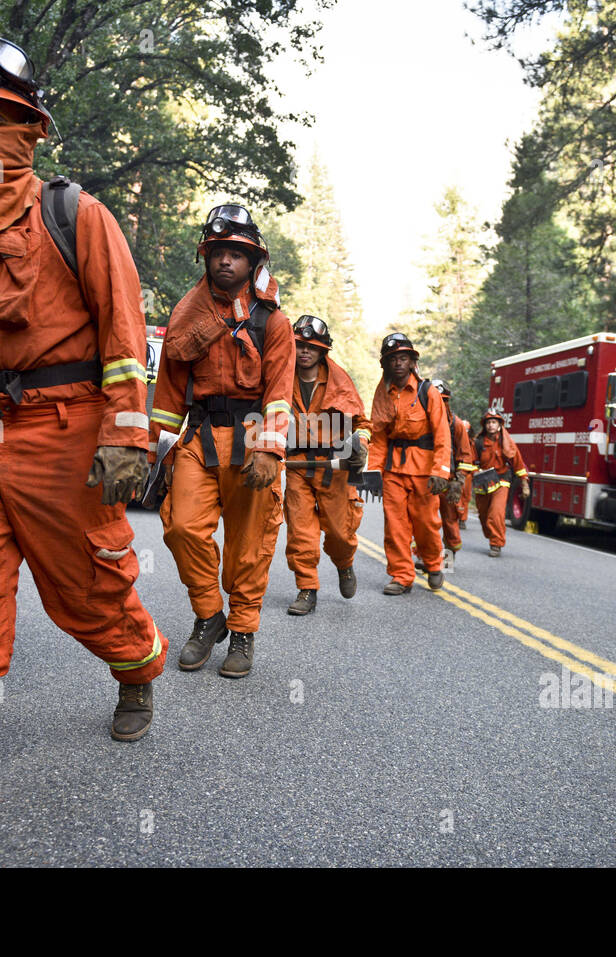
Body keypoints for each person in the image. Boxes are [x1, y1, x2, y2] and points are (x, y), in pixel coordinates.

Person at [0, 36, 165, 825]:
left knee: (88, 587)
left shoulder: (75, 216)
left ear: (26, 129)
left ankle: (136, 664)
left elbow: (122, 331)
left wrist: (125, 434)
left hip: (68, 430)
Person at [151, 204, 295, 677]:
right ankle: (209, 616)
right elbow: (169, 396)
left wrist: (271, 449)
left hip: (253, 434)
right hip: (199, 434)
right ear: (206, 257)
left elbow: (279, 392)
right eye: (218, 252)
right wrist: (160, 455)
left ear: (253, 262)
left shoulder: (273, 322)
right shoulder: (185, 315)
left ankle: (243, 632)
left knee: (248, 546)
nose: (226, 261)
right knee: (181, 527)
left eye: (237, 253)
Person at [283, 315, 371, 615]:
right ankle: (307, 587)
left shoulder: (339, 380)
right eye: (299, 345)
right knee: (300, 531)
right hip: (296, 466)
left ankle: (344, 564)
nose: (304, 351)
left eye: (311, 347)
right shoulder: (281, 376)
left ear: (323, 351)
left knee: (339, 532)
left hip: (334, 467)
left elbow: (362, 423)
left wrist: (361, 443)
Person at [368, 333, 451, 594]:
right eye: (393, 359)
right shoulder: (383, 394)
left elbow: (442, 435)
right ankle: (401, 575)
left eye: (403, 358)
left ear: (412, 361)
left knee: (426, 523)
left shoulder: (428, 392)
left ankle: (435, 564)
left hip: (425, 471)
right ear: (386, 364)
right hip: (393, 470)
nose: (398, 364)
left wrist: (441, 471)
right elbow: (379, 436)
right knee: (395, 526)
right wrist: (373, 472)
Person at [473, 409, 530, 557]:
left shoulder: (507, 442)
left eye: (494, 422)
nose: (491, 425)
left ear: (499, 425)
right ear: (484, 425)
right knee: (484, 515)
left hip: (501, 481)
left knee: (496, 513)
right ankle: (491, 535)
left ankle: (496, 544)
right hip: (483, 483)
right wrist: (475, 471)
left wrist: (524, 483)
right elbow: (470, 462)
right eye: (489, 422)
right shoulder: (478, 443)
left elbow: (518, 463)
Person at [433, 381, 477, 566]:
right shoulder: (420, 423)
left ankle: (448, 560)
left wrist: (458, 482)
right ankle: (427, 559)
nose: (439, 405)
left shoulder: (456, 425)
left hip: (448, 481)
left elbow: (466, 457)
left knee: (450, 523)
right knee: (424, 522)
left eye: (443, 401)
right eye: (435, 401)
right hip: (426, 481)